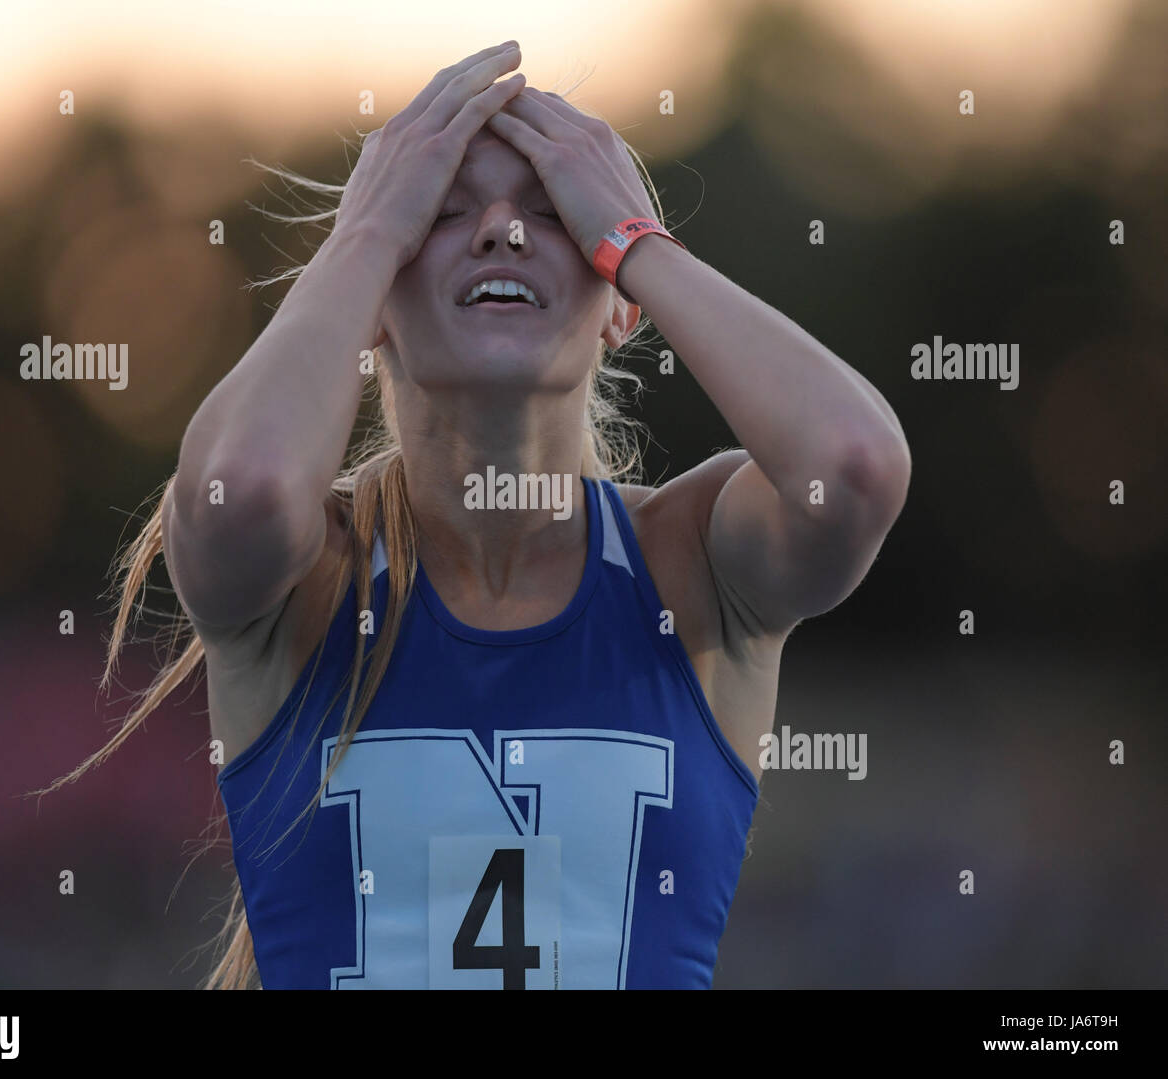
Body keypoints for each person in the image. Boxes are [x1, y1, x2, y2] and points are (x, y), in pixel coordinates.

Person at [54, 40, 910, 988]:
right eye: (443, 211)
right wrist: (365, 235)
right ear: (374, 302)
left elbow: (855, 466)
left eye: (555, 212)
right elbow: (242, 488)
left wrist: (636, 240)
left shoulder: (687, 567)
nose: (502, 231)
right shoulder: (312, 580)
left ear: (620, 307)